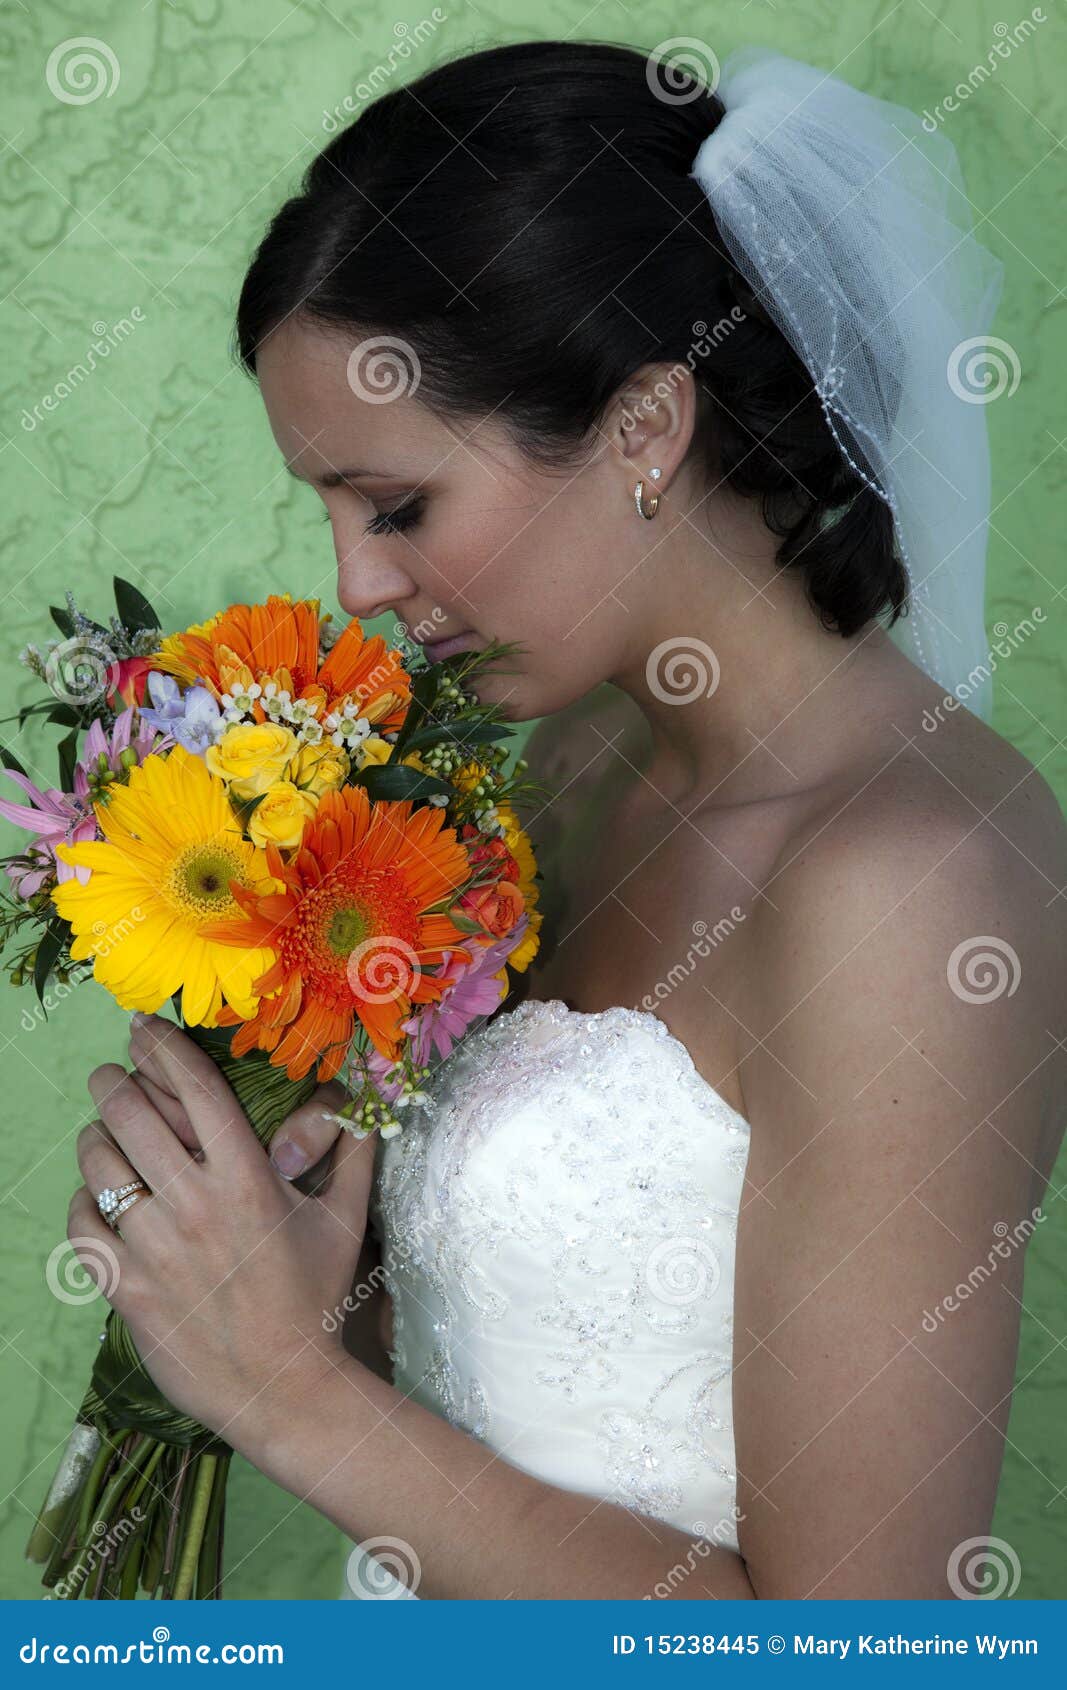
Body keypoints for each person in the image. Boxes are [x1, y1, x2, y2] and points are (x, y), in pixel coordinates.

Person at [70, 40, 1067, 1600]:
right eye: (329, 512)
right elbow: (516, 1354)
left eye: (397, 507)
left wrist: (281, 1386)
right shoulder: (569, 763)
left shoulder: (911, 882)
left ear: (645, 427)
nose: (358, 591)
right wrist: (269, 1260)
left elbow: (858, 1646)